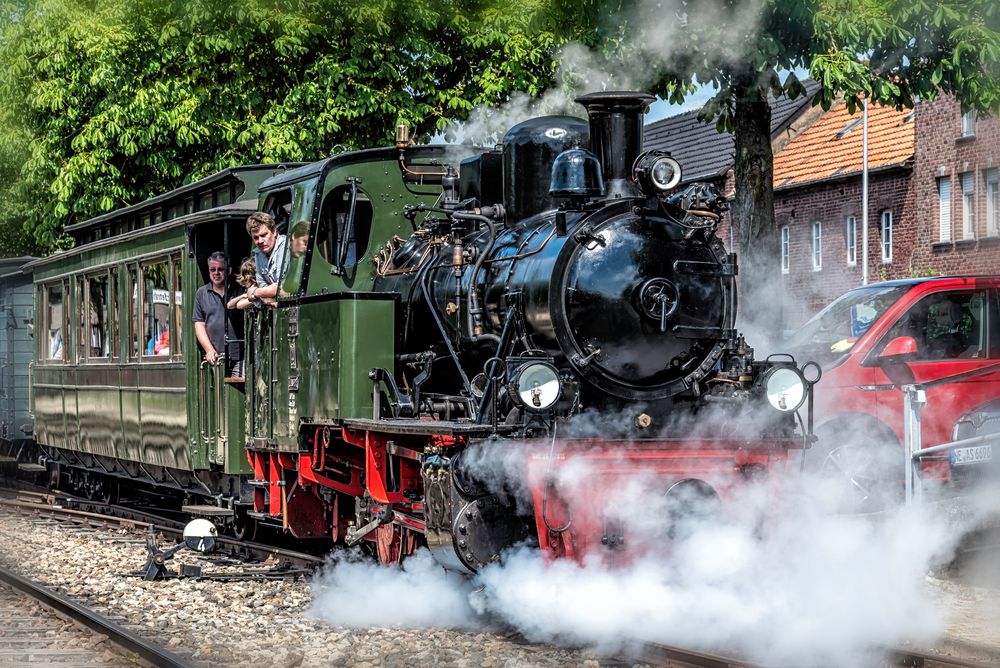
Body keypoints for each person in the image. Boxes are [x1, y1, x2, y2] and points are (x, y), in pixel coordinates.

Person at [193, 251, 244, 376]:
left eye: (221, 269)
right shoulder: (201, 293)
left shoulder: (239, 290)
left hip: (240, 356)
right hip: (215, 357)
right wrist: (209, 349)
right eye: (212, 270)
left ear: (229, 270)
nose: (216, 273)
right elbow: (199, 325)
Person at [245, 212, 288, 307]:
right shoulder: (258, 253)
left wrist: (255, 292)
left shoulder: (285, 247)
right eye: (256, 238)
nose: (260, 241)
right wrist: (269, 295)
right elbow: (261, 283)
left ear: (274, 231)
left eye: (264, 235)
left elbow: (281, 287)